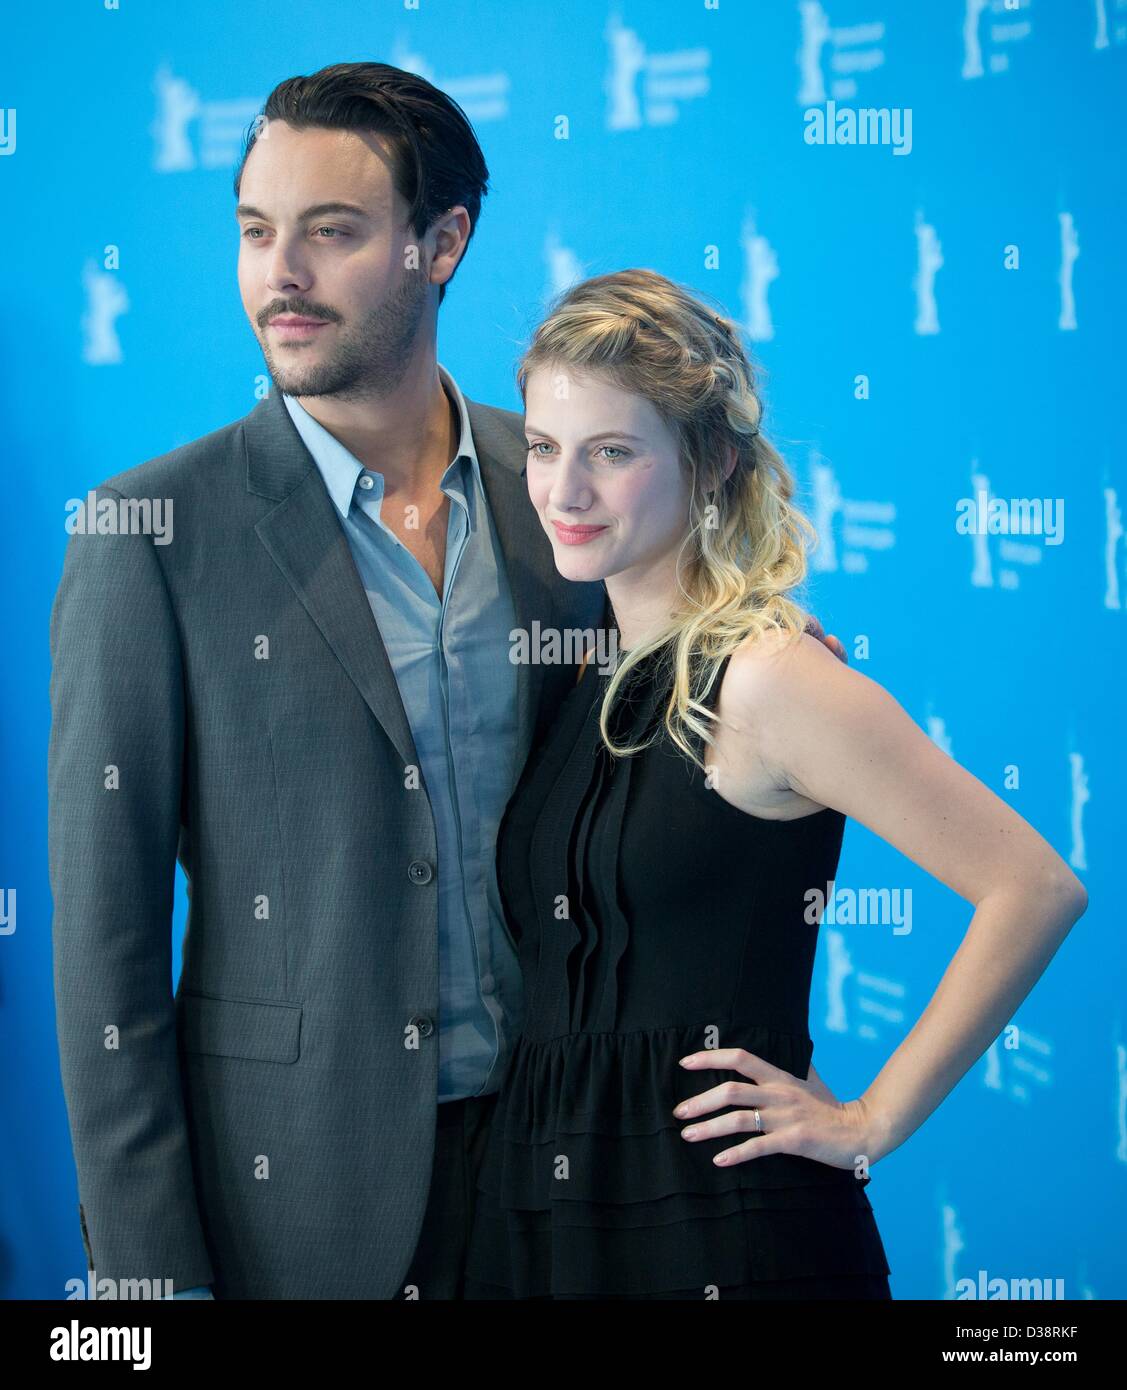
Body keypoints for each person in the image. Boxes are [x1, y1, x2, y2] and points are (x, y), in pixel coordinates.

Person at [46, 60, 850, 1301]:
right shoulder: (147, 532)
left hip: (577, 1180)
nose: (281, 276)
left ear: (442, 242)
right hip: (295, 1207)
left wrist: (770, 655)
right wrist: (148, 1292)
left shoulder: (559, 491)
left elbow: (697, 691)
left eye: (333, 231)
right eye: (257, 232)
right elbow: (105, 957)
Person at [462, 268, 1089, 1300]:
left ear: (707, 461)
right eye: (542, 448)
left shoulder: (770, 678)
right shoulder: (584, 671)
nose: (562, 491)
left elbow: (1033, 887)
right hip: (540, 1220)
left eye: (610, 453)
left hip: (721, 1225)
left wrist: (867, 1121)